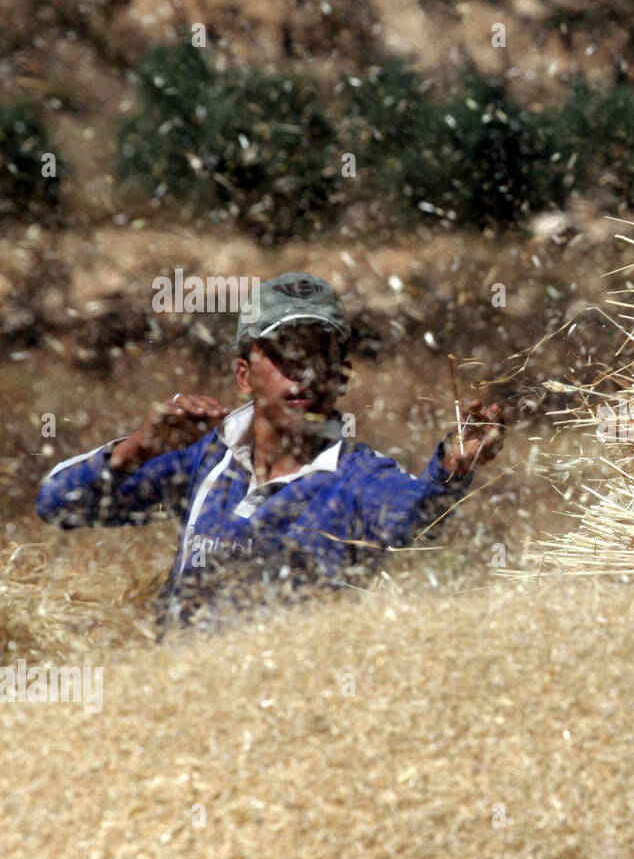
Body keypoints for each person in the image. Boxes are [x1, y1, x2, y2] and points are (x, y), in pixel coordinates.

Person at [37, 272, 506, 635]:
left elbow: (410, 521)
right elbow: (57, 506)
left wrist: (448, 470)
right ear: (244, 375)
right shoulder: (201, 459)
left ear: (341, 378)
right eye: (284, 355)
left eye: (318, 355)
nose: (302, 375)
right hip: (177, 696)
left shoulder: (355, 477)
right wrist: (137, 450)